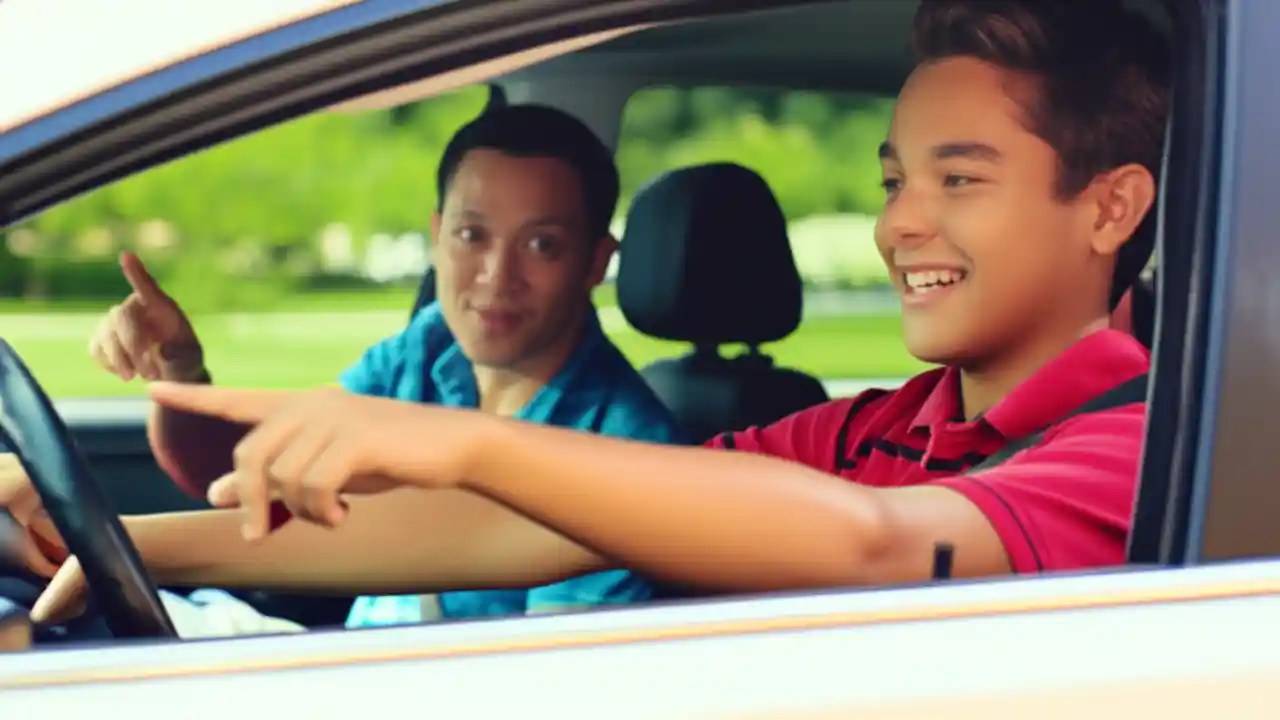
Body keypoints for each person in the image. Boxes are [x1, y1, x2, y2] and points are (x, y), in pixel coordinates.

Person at [30, 0, 1169, 621]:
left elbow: (880, 544)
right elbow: (530, 528)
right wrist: (128, 542)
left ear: (1109, 206)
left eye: (957, 180)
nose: (898, 225)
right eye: (891, 181)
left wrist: (464, 442)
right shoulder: (868, 429)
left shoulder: (1143, 450)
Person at [5, 104, 684, 633]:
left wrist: (129, 543)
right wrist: (180, 371)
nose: (495, 276)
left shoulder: (629, 451)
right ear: (436, 235)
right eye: (471, 235)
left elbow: (552, 678)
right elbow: (259, 479)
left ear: (596, 263)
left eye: (542, 245)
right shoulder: (427, 348)